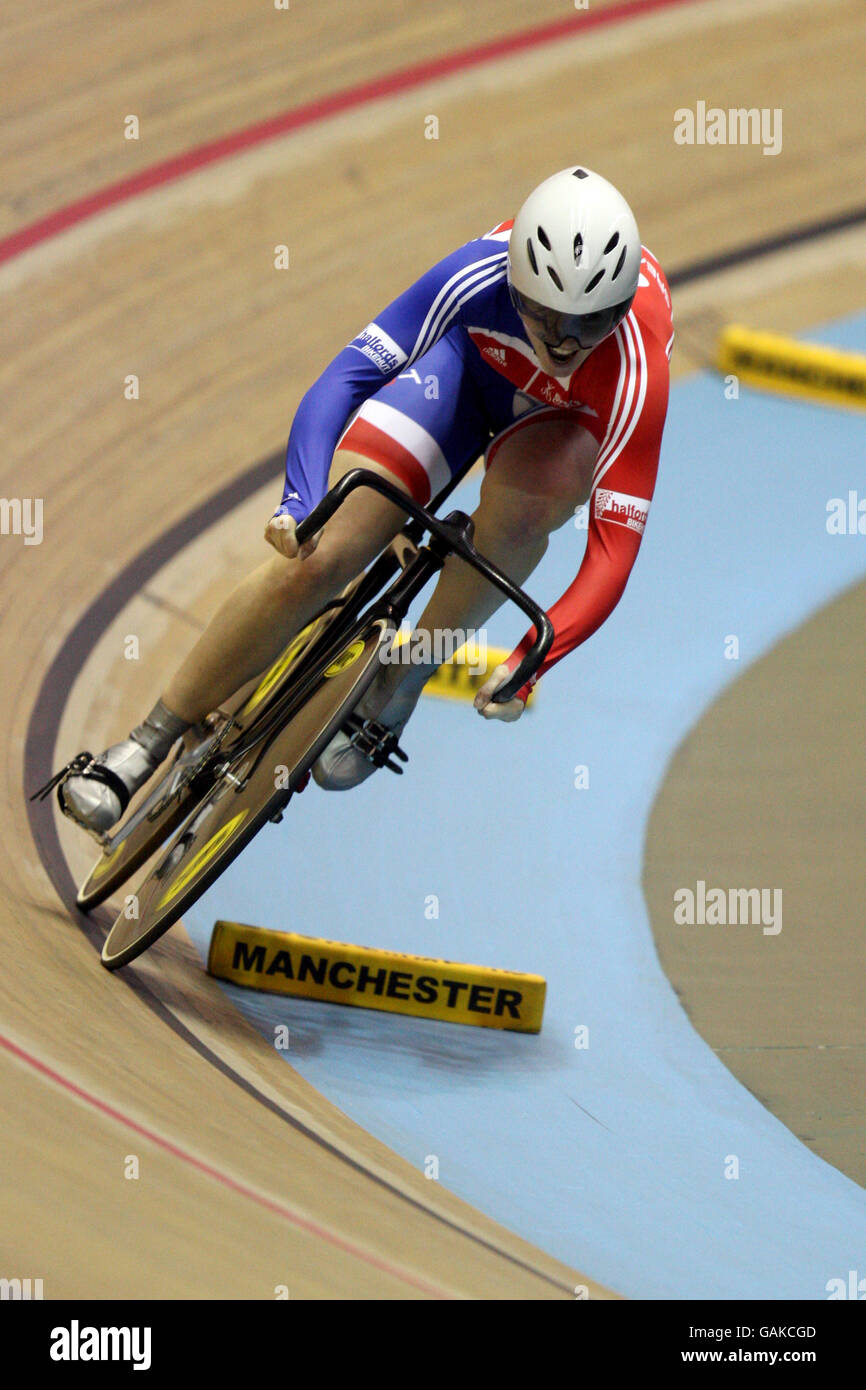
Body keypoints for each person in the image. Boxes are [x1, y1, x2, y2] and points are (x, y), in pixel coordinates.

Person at [59, 164, 673, 830]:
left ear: (618, 310)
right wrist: (300, 502)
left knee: (528, 510)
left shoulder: (639, 362)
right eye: (550, 316)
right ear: (514, 283)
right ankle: (142, 747)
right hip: (467, 375)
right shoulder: (475, 274)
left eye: (590, 323)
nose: (565, 341)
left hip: (561, 428)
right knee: (319, 560)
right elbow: (343, 380)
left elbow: (614, 552)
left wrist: (534, 657)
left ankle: (407, 675)